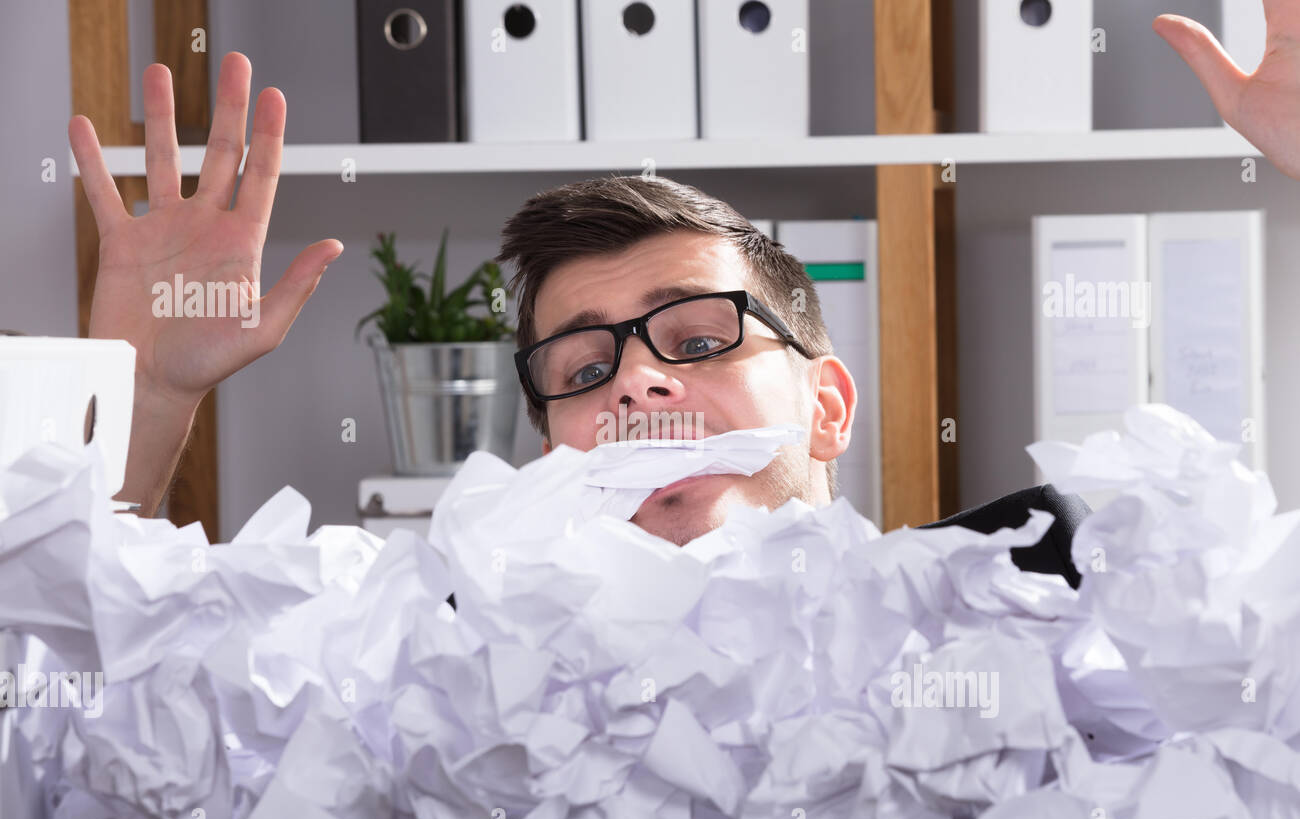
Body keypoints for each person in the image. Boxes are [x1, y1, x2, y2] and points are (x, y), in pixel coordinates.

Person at [67, 6, 1294, 547]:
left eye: (698, 337)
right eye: (585, 366)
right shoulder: (444, 639)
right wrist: (150, 389)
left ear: (826, 402)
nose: (639, 385)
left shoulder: (1029, 566)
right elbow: (105, 695)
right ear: (556, 444)